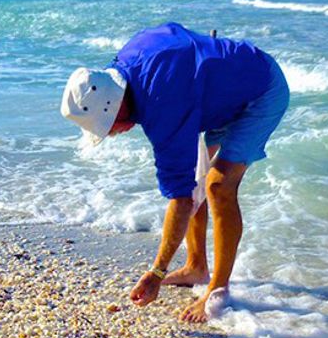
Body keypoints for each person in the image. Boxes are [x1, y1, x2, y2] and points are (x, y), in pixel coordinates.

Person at [60, 22, 289, 322]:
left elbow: (180, 199)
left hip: (260, 89)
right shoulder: (121, 69)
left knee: (218, 185)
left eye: (109, 127)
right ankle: (196, 267)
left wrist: (156, 272)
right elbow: (171, 32)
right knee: (197, 176)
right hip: (211, 96)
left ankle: (218, 292)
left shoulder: (162, 107)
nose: (112, 134)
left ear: (115, 106)